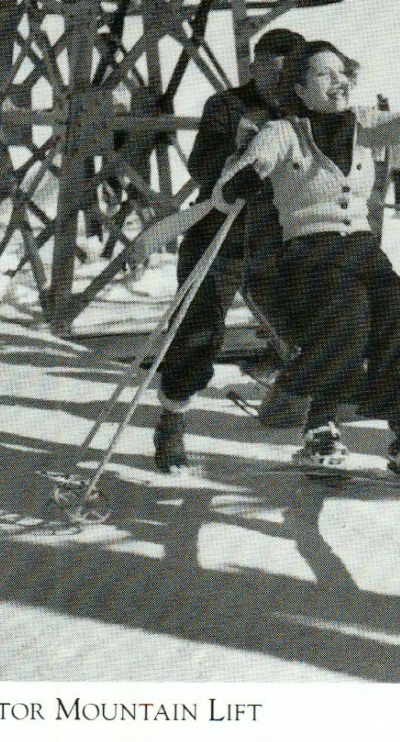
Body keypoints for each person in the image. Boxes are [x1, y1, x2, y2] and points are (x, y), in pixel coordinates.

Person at [211, 39, 400, 475]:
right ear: (298, 88)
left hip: (361, 249)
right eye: (324, 74)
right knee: (347, 319)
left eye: (342, 72)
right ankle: (319, 425)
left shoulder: (364, 123)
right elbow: (239, 175)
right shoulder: (283, 132)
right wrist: (242, 180)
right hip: (309, 253)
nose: (339, 81)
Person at [152, 27, 305, 473]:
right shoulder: (226, 105)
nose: (276, 81)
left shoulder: (304, 110)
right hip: (220, 231)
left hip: (278, 234)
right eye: (268, 70)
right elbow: (201, 167)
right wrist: (235, 148)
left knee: (311, 319)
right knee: (198, 330)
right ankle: (173, 418)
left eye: (287, 73)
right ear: (254, 67)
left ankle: (300, 406)